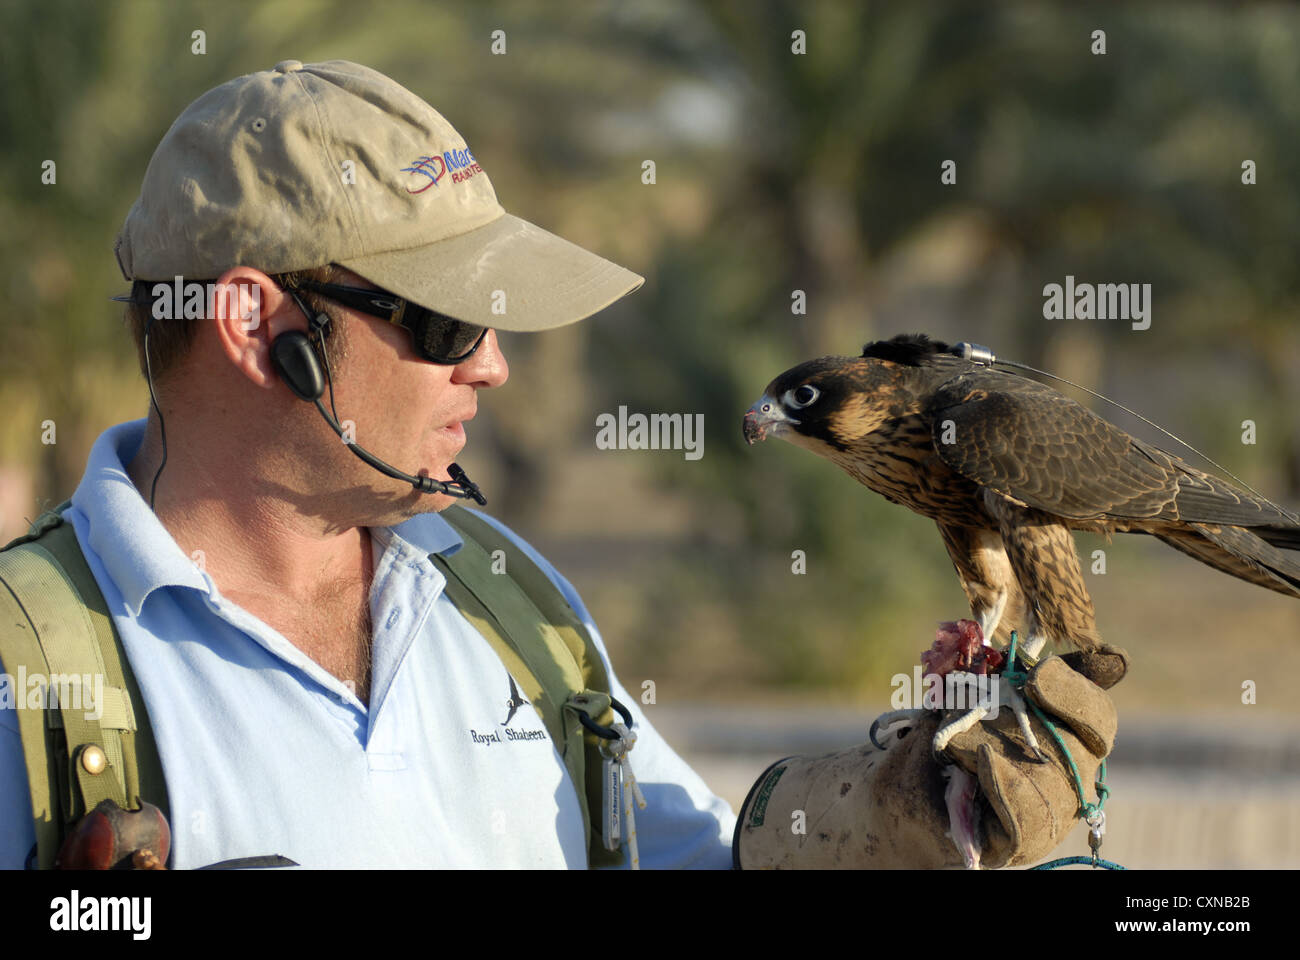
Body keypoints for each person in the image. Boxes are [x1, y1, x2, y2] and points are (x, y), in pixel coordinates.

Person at [0, 59, 1121, 870]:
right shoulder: (29, 675)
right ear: (255, 325)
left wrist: (899, 815)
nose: (491, 366)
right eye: (444, 324)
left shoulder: (501, 598)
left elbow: (684, 859)